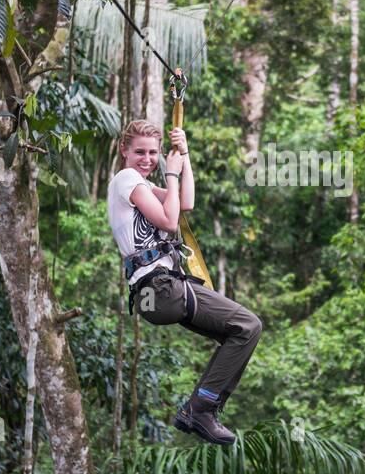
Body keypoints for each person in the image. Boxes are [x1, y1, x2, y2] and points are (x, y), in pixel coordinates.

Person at [106, 119, 262, 446]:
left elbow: (185, 203)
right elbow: (169, 220)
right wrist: (171, 174)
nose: (147, 158)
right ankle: (200, 408)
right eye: (139, 152)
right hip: (160, 288)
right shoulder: (126, 178)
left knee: (240, 333)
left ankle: (204, 408)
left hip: (160, 293)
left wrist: (184, 154)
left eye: (153, 152)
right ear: (124, 151)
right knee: (248, 325)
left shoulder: (141, 185)